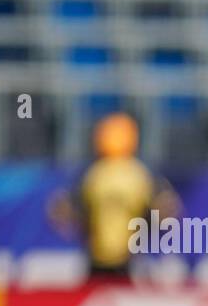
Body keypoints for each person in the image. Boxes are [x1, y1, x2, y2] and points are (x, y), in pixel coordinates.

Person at [48, 112, 179, 282]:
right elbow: (168, 207)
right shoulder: (140, 174)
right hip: (127, 259)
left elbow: (61, 208)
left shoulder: (93, 174)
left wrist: (81, 227)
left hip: (99, 258)